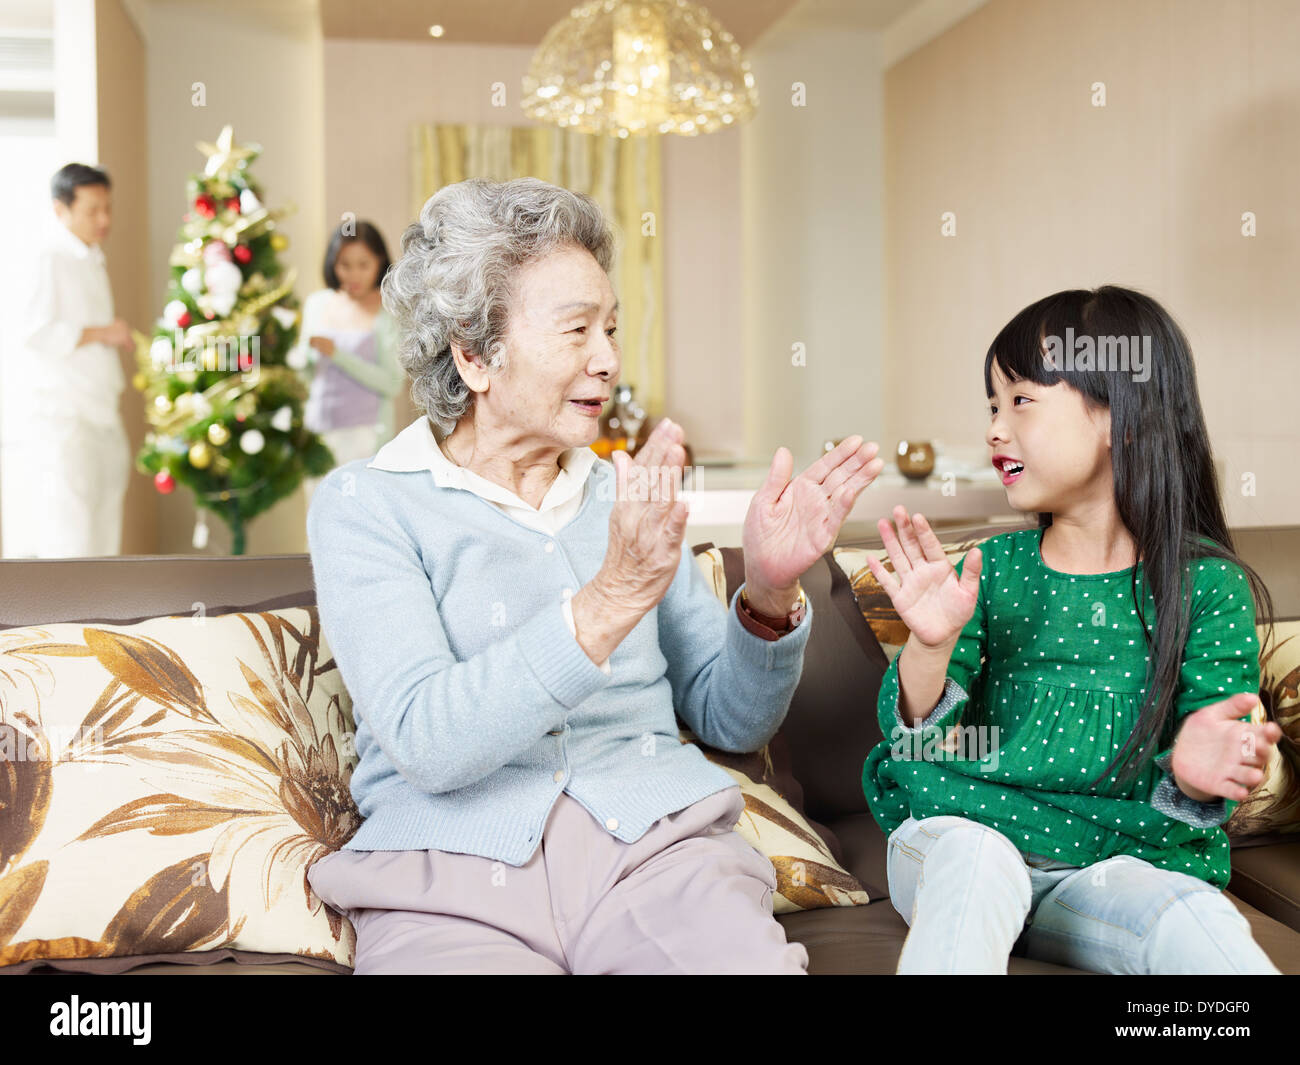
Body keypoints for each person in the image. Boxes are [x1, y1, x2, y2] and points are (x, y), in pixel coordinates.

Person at [304, 177, 885, 974]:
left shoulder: (622, 494)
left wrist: (771, 593)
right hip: (450, 880)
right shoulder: (367, 504)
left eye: (610, 327)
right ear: (473, 355)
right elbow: (426, 739)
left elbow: (730, 719)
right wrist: (606, 602)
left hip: (658, 858)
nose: (608, 359)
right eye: (576, 330)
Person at [862, 285, 1282, 974]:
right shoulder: (988, 570)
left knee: (1194, 918)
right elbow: (914, 734)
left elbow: (1207, 755)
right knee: (979, 858)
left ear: (1124, 417)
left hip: (1111, 866)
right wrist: (931, 645)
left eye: (1021, 400)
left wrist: (1198, 773)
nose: (996, 429)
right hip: (959, 832)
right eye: (992, 406)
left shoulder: (1206, 587)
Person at [1, 163, 134, 558]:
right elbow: (32, 330)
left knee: (104, 531)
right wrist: (103, 332)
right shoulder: (48, 256)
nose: (104, 220)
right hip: (66, 418)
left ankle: (104, 618)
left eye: (107, 208)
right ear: (61, 209)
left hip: (102, 412)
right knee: (71, 535)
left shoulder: (91, 259)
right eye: (92, 210)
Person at [296, 220, 402, 506]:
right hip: (319, 434)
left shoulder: (388, 311)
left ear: (379, 263)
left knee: (359, 518)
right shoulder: (317, 304)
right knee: (316, 516)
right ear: (333, 263)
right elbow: (306, 375)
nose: (353, 274)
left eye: (363, 264)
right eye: (345, 264)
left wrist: (337, 354)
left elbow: (391, 383)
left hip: (366, 437)